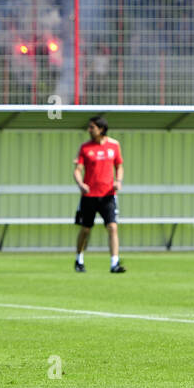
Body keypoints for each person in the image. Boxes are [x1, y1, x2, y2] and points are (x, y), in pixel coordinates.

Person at [73, 114, 125, 273]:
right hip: (89, 196)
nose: (89, 130)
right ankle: (79, 259)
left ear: (101, 129)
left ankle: (114, 263)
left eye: (92, 127)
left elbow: (119, 166)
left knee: (112, 227)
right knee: (86, 229)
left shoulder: (114, 145)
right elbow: (78, 170)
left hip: (108, 195)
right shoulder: (85, 147)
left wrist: (118, 181)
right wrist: (80, 183)